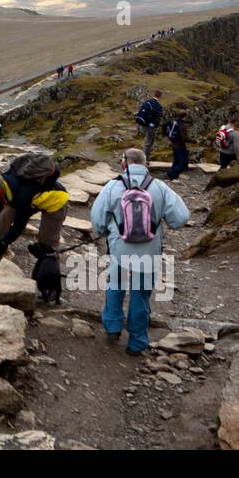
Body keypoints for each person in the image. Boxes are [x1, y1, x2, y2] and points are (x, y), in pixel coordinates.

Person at [89, 149, 190, 355]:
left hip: (119, 249)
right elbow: (180, 218)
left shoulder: (112, 186)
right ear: (146, 164)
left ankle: (113, 326)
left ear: (124, 164)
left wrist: (104, 232)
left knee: (115, 286)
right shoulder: (159, 187)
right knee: (141, 295)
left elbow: (98, 220)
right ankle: (137, 342)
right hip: (149, 252)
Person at [0, 152, 70, 265]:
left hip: (56, 202)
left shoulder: (22, 196)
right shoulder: (2, 182)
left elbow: (19, 226)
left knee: (48, 242)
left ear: (0, 194)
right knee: (5, 215)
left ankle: (48, 271)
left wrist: (4, 242)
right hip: (34, 198)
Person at [134, 90, 165, 158]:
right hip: (150, 126)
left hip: (142, 124)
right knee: (149, 142)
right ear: (160, 96)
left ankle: (143, 157)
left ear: (154, 94)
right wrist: (153, 123)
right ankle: (144, 158)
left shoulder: (147, 102)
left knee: (146, 141)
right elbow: (158, 116)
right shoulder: (157, 105)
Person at [165, 110, 190, 180]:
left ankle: (173, 175)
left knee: (176, 160)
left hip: (174, 144)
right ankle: (171, 173)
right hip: (180, 145)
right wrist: (193, 141)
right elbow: (184, 138)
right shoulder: (182, 125)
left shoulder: (173, 122)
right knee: (183, 162)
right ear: (185, 117)